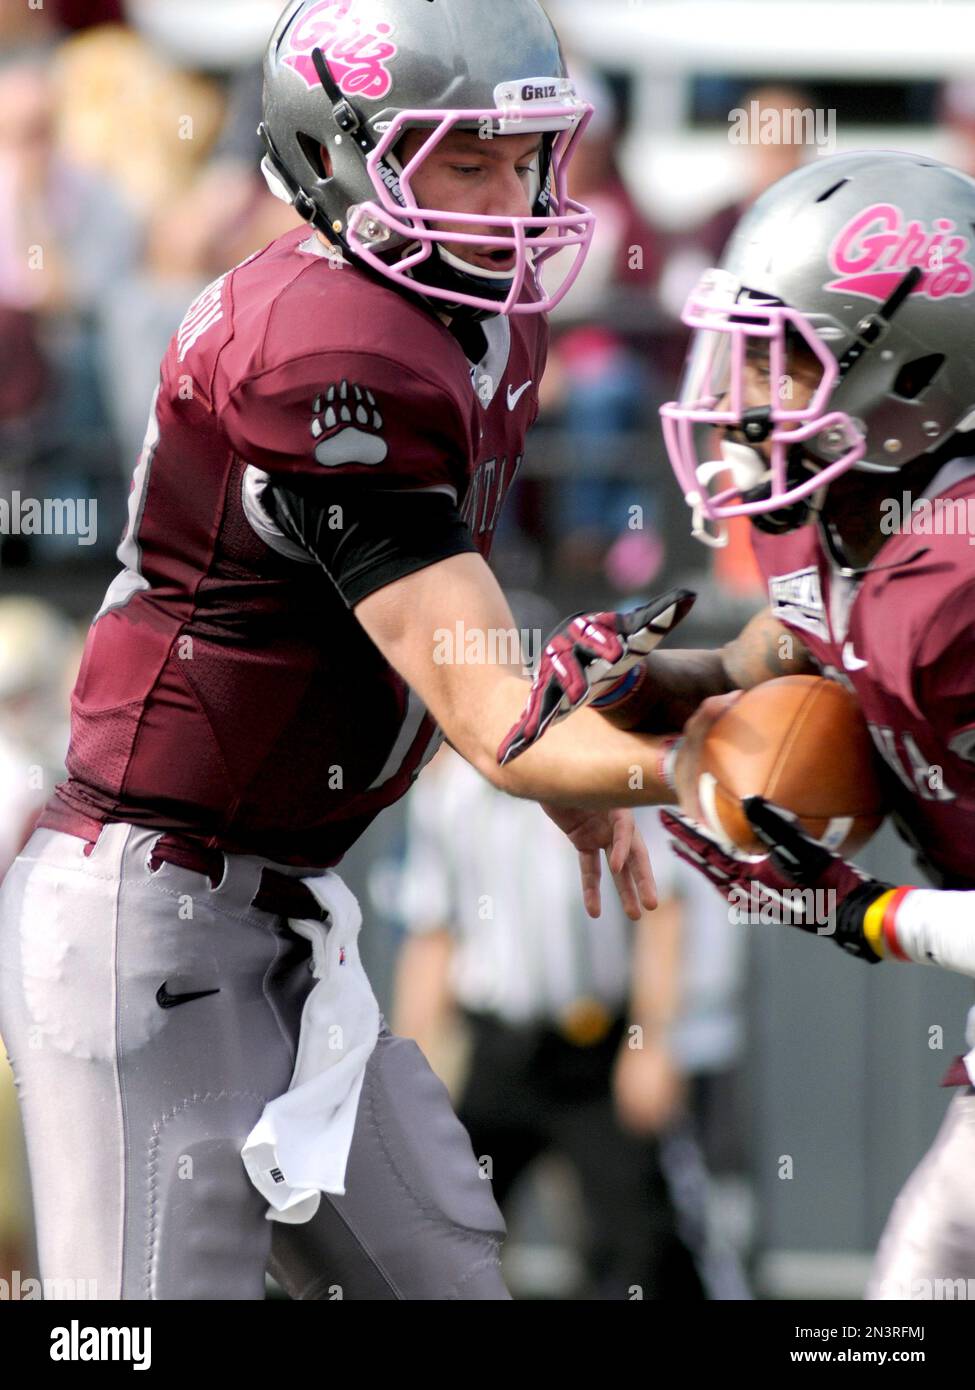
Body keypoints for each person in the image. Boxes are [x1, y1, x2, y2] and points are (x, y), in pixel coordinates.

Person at [0, 0, 705, 1303]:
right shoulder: (325, 351)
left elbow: (455, 636)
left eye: (524, 157)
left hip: (277, 911)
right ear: (339, 158)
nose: (511, 200)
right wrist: (690, 766)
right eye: (463, 160)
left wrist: (560, 735)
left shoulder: (473, 319)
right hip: (149, 916)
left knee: (439, 1269)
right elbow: (491, 700)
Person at [499, 150, 975, 1300]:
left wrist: (877, 914)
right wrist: (644, 682)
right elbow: (788, 650)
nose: (741, 386)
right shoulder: (848, 517)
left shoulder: (955, 585)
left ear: (910, 369)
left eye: (780, 356)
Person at [393, 745, 750, 1300]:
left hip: (594, 1051)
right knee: (437, 1237)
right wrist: (410, 1077)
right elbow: (432, 932)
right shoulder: (447, 789)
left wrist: (652, 1043)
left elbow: (661, 908)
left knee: (643, 1248)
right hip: (496, 1048)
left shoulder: (602, 767)